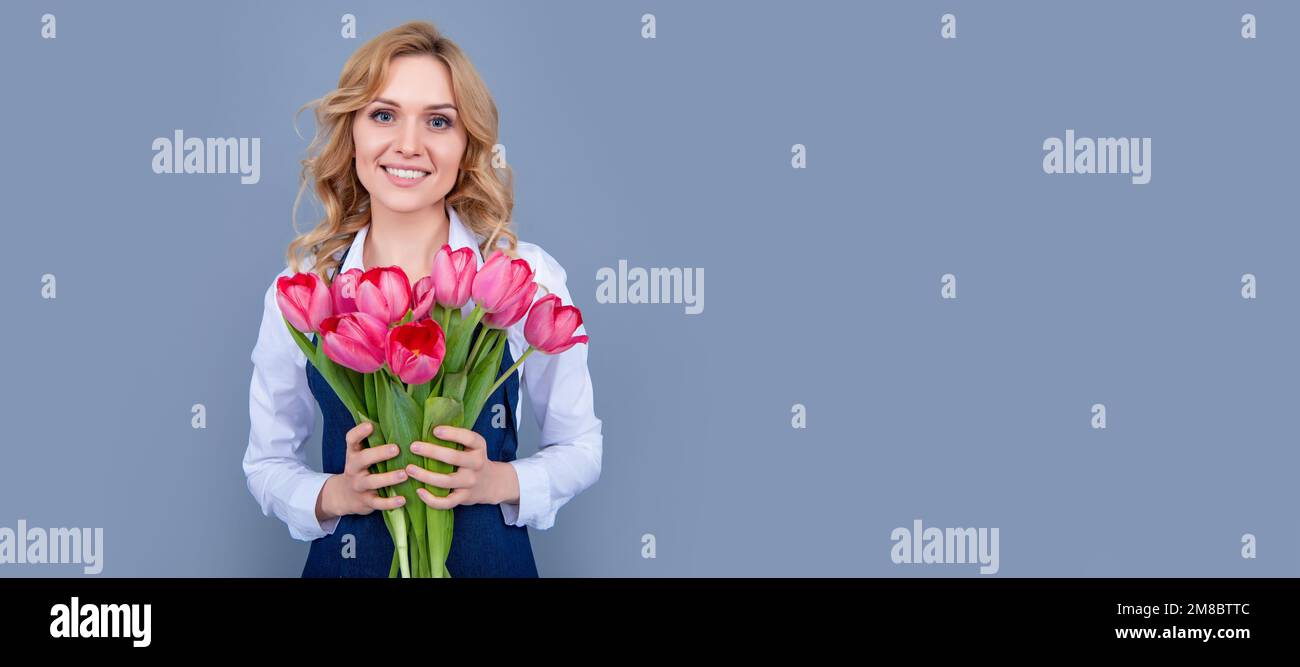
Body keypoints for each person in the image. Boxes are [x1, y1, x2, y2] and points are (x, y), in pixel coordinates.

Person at [242, 20, 602, 577]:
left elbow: (582, 448)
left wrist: (500, 481)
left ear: (467, 145)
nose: (408, 144)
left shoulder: (523, 276)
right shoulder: (306, 288)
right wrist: (336, 494)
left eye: (438, 121)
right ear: (353, 133)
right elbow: (265, 463)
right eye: (383, 115)